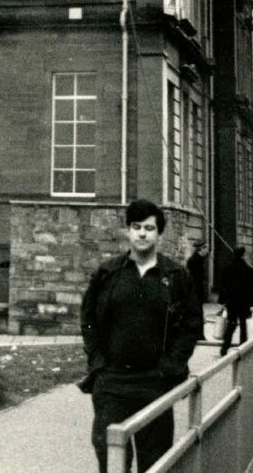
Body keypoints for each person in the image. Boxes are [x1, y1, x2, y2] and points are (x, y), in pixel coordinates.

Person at [79, 199, 202, 473]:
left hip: (154, 384)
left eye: (149, 228)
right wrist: (97, 362)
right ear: (128, 231)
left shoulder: (176, 275)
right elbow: (87, 318)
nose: (143, 233)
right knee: (112, 462)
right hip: (112, 383)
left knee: (155, 463)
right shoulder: (108, 274)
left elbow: (191, 325)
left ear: (159, 234)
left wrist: (171, 366)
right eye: (137, 227)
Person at [216, 243, 253, 355]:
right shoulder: (249, 269)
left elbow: (222, 286)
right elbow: (251, 289)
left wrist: (222, 301)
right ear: (243, 255)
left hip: (231, 301)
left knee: (231, 323)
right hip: (244, 302)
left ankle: (224, 347)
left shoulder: (227, 268)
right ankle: (243, 347)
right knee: (244, 324)